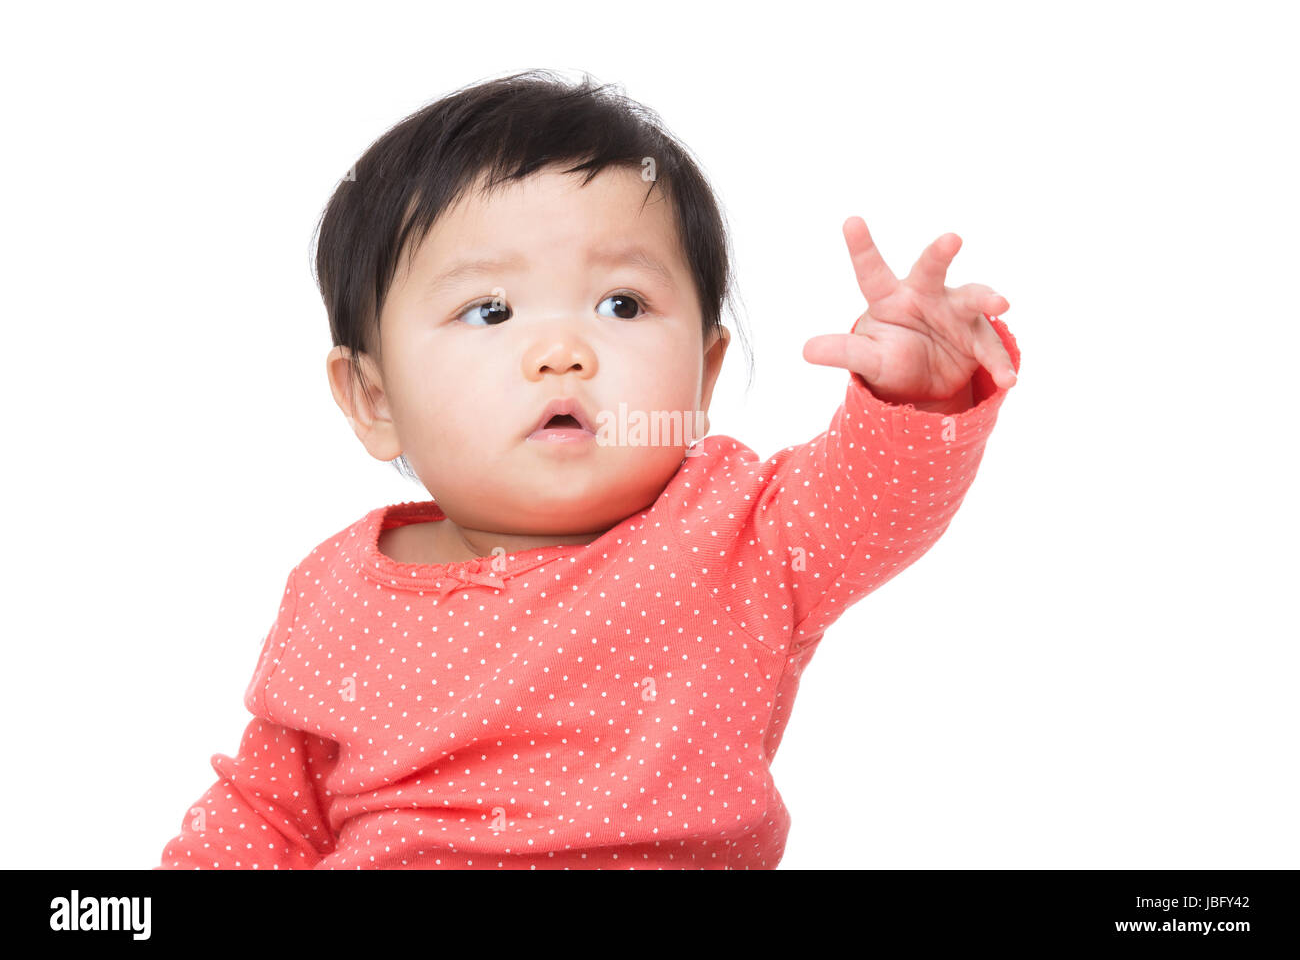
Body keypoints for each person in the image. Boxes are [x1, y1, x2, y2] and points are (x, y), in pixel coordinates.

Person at [157, 68, 1021, 869]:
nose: (561, 351)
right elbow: (267, 813)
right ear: (373, 398)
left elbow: (871, 505)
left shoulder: (742, 535)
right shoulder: (334, 590)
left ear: (705, 375)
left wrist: (916, 397)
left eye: (622, 304)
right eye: (489, 310)